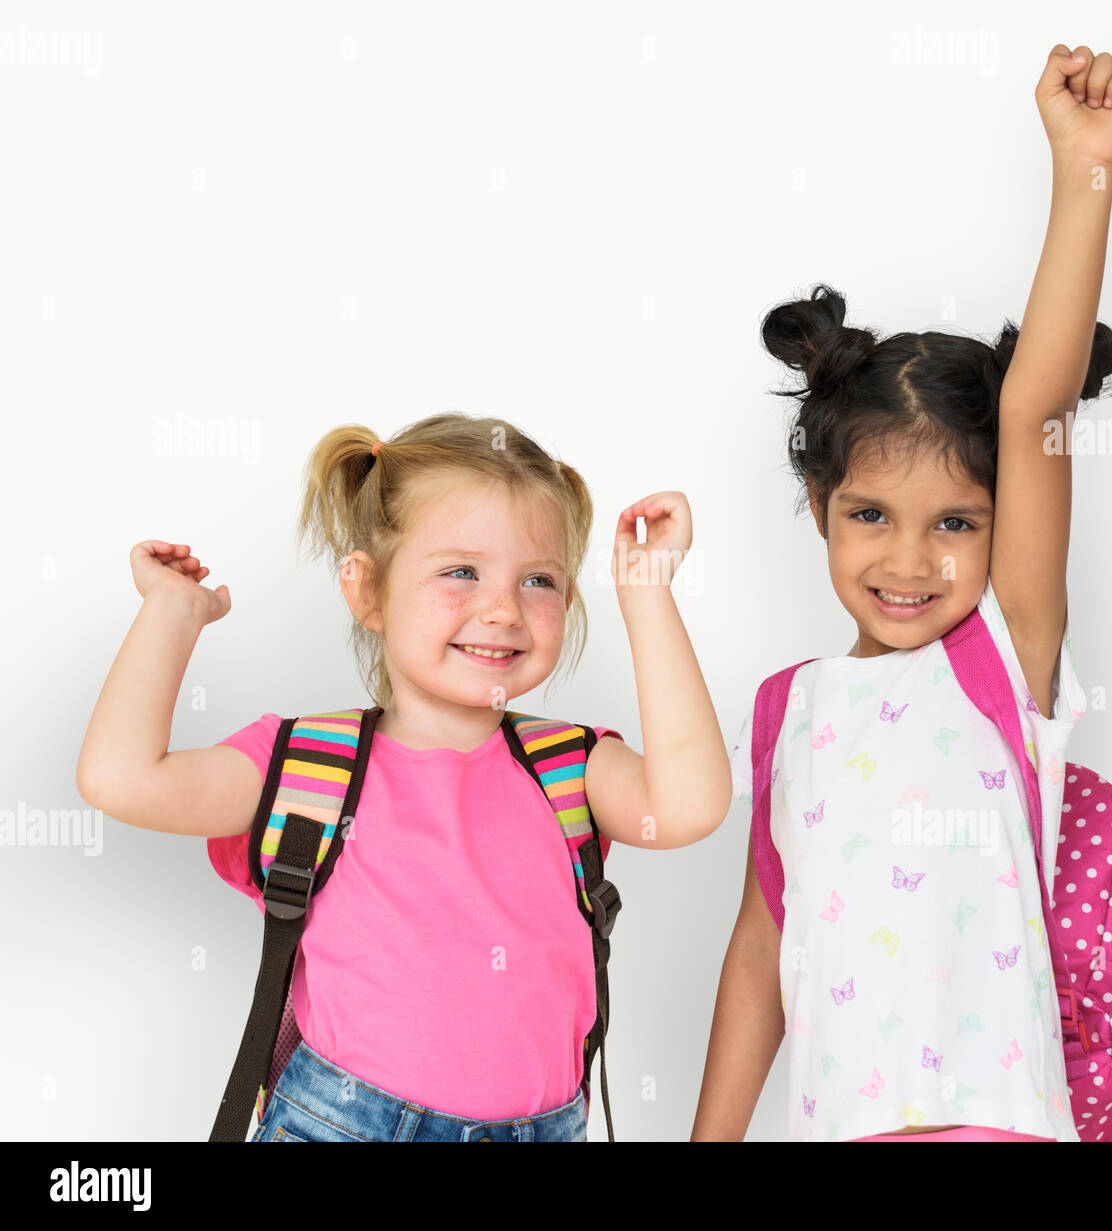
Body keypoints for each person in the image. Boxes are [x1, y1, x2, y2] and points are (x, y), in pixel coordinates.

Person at [692, 44, 1112, 1142]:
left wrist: (1084, 168)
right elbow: (762, 945)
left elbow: (1037, 401)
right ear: (817, 498)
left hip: (996, 1124)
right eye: (869, 516)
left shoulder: (1000, 654)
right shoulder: (786, 708)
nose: (909, 561)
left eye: (957, 524)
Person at [76, 412, 732, 1142]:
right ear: (368, 592)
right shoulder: (305, 765)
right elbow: (120, 777)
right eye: (461, 571)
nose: (504, 608)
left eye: (539, 579)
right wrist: (171, 611)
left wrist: (648, 595)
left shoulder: (569, 767)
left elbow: (691, 804)